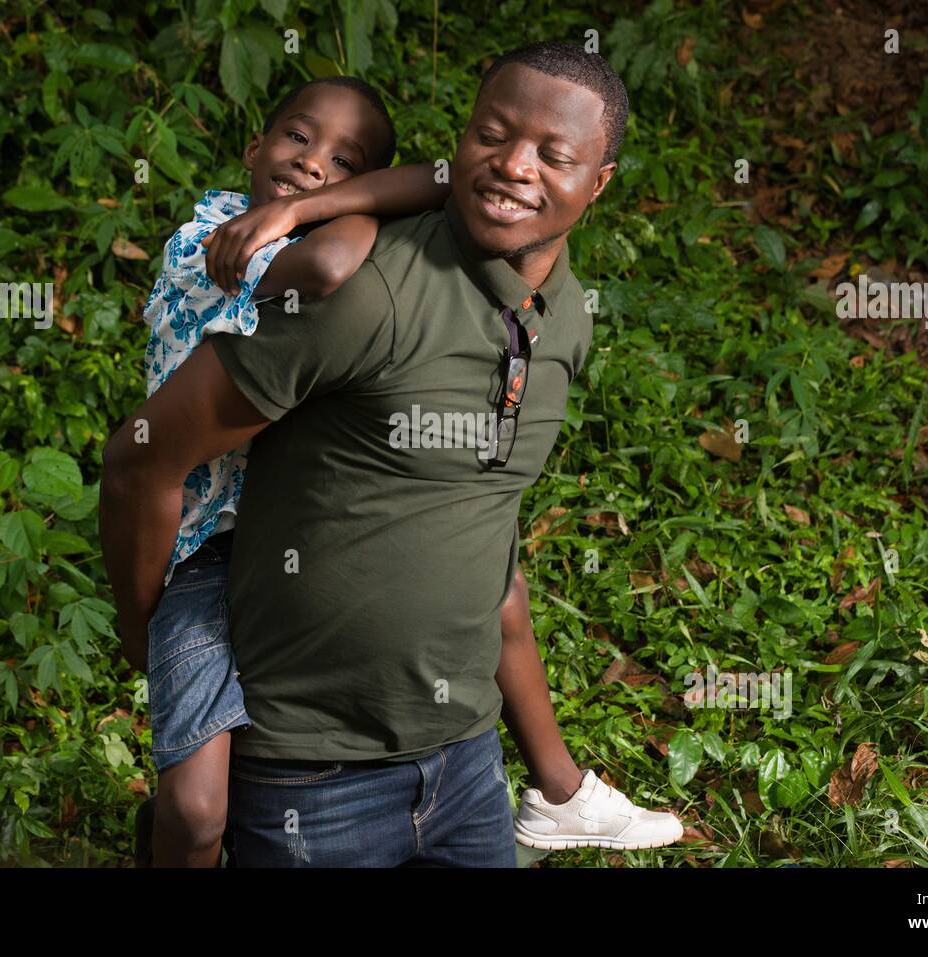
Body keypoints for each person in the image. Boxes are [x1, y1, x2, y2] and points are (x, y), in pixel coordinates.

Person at [103, 45, 682, 868]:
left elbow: (484, 524)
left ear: (600, 182)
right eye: (494, 133)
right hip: (312, 780)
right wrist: (142, 628)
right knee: (193, 813)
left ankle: (560, 794)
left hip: (466, 763)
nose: (516, 165)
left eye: (554, 155)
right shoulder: (356, 288)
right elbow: (141, 459)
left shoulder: (566, 317)